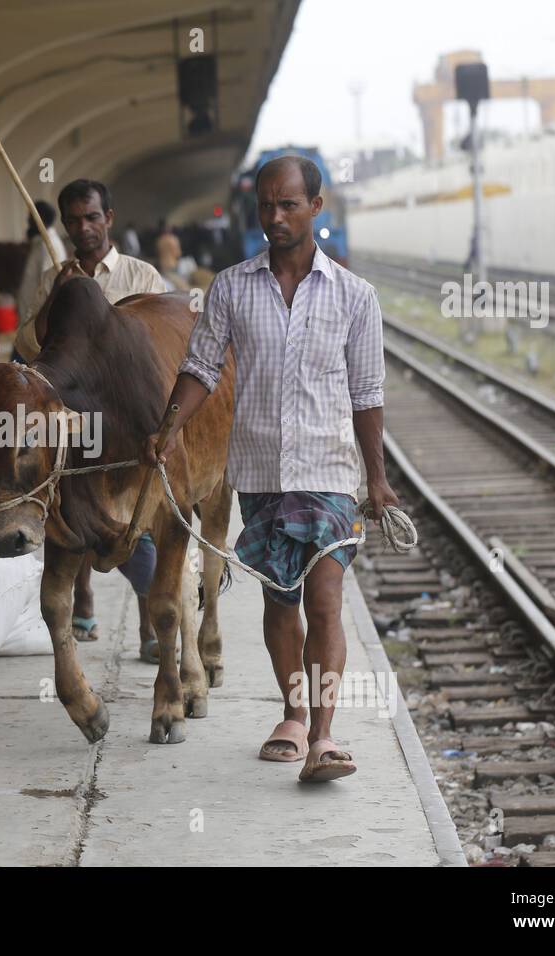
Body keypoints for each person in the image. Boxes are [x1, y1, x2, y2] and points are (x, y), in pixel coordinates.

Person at [143, 155, 398, 783]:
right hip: (257, 472)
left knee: (327, 601)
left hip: (330, 470)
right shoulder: (230, 287)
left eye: (288, 204)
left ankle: (327, 735)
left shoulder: (355, 296)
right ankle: (292, 716)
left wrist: (378, 479)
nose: (274, 217)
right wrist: (169, 426)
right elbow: (201, 368)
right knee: (281, 602)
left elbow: (367, 393)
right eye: (265, 205)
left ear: (317, 206)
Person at [13, 178, 168, 662]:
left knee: (136, 521)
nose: (84, 228)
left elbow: (161, 352)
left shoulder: (142, 277)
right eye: (74, 221)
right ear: (64, 225)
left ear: (110, 218)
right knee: (76, 510)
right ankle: (82, 600)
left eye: (92, 218)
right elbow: (28, 348)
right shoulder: (54, 278)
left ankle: (150, 621)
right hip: (77, 425)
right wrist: (57, 299)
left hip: (130, 425)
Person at [16, 200, 67, 329]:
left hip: (37, 321)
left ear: (40, 218)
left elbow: (47, 286)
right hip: (30, 320)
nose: (28, 221)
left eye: (31, 217)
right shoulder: (40, 243)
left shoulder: (49, 246)